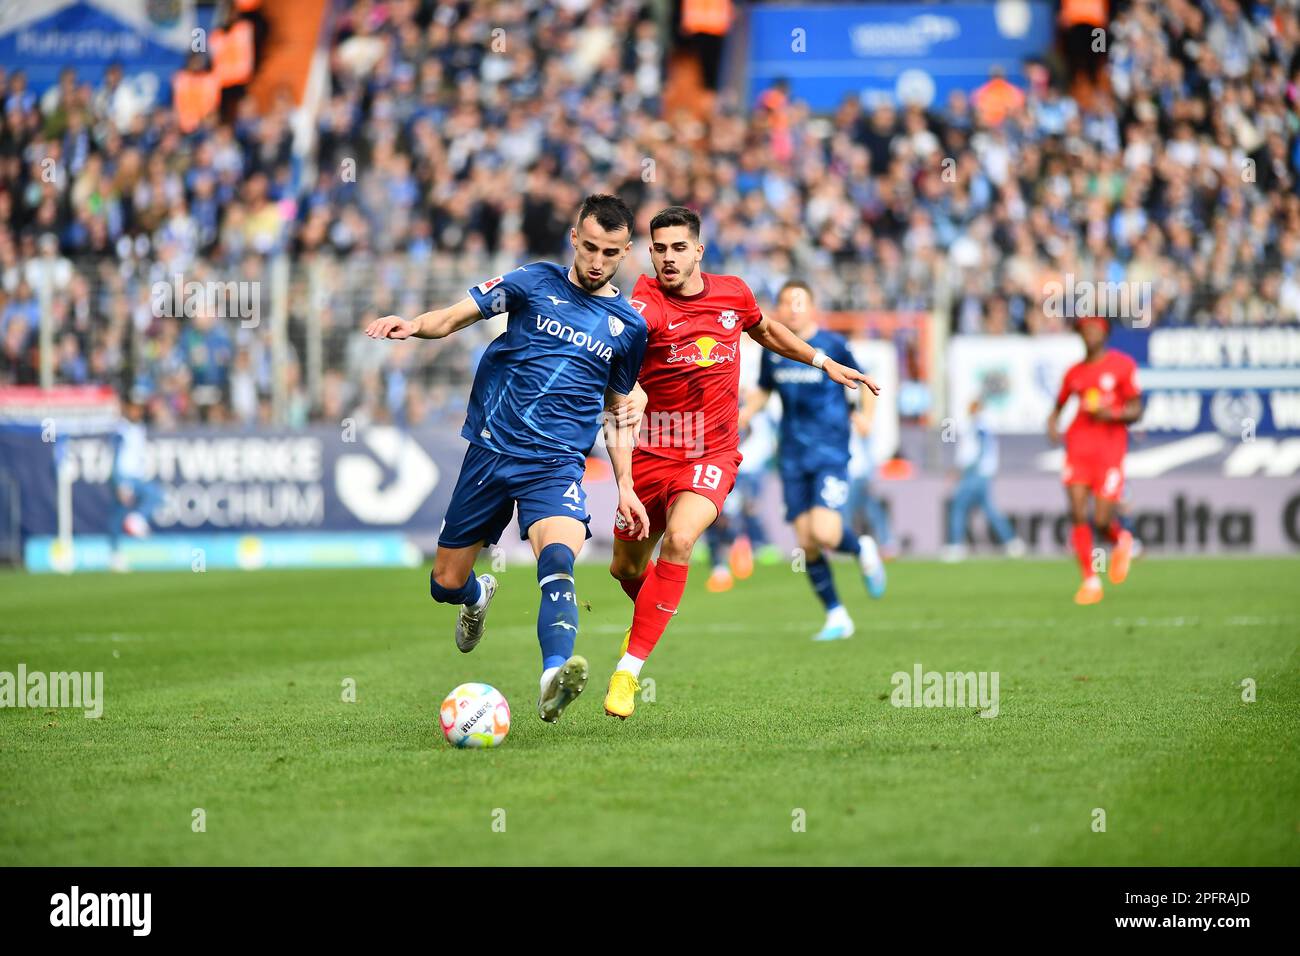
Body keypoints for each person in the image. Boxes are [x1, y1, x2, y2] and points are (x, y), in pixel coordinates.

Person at [364, 194, 650, 722]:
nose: (596, 261)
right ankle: (477, 597)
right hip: (491, 451)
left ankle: (552, 676)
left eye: (610, 253)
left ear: (626, 251)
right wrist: (413, 324)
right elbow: (455, 317)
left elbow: (617, 410)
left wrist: (626, 485)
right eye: (589, 247)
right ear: (574, 237)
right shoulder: (532, 282)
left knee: (559, 559)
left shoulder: (629, 327)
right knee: (445, 583)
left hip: (556, 462)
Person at [604, 210, 880, 718]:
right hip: (654, 449)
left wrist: (823, 361)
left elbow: (768, 331)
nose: (668, 257)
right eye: (659, 248)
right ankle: (647, 614)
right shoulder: (641, 308)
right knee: (625, 566)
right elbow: (616, 388)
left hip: (711, 452)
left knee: (683, 539)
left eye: (679, 248)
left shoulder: (733, 294)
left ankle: (628, 672)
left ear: (698, 251)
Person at [740, 280, 887, 642]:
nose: (793, 308)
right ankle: (837, 615)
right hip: (791, 454)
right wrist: (744, 414)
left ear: (813, 305)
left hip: (830, 451)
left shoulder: (833, 345)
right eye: (786, 302)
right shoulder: (773, 350)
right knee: (806, 544)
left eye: (800, 301)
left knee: (825, 532)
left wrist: (866, 417)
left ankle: (862, 546)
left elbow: (865, 381)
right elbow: (764, 389)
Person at [1047, 315, 1142, 605]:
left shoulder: (1122, 366)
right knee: (1077, 511)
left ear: (1105, 333)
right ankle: (1090, 580)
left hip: (1109, 451)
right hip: (1078, 448)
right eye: (1084, 330)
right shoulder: (1074, 373)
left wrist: (1111, 414)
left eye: (1093, 329)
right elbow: (1059, 406)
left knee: (1101, 519)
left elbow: (1137, 410)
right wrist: (1052, 423)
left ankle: (1121, 540)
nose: (1088, 334)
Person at [941, 395, 1026, 561]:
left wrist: (965, 469)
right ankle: (1012, 542)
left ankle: (956, 545)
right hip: (982, 474)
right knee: (989, 509)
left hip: (975, 473)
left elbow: (979, 449)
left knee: (958, 507)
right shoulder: (983, 424)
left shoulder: (979, 425)